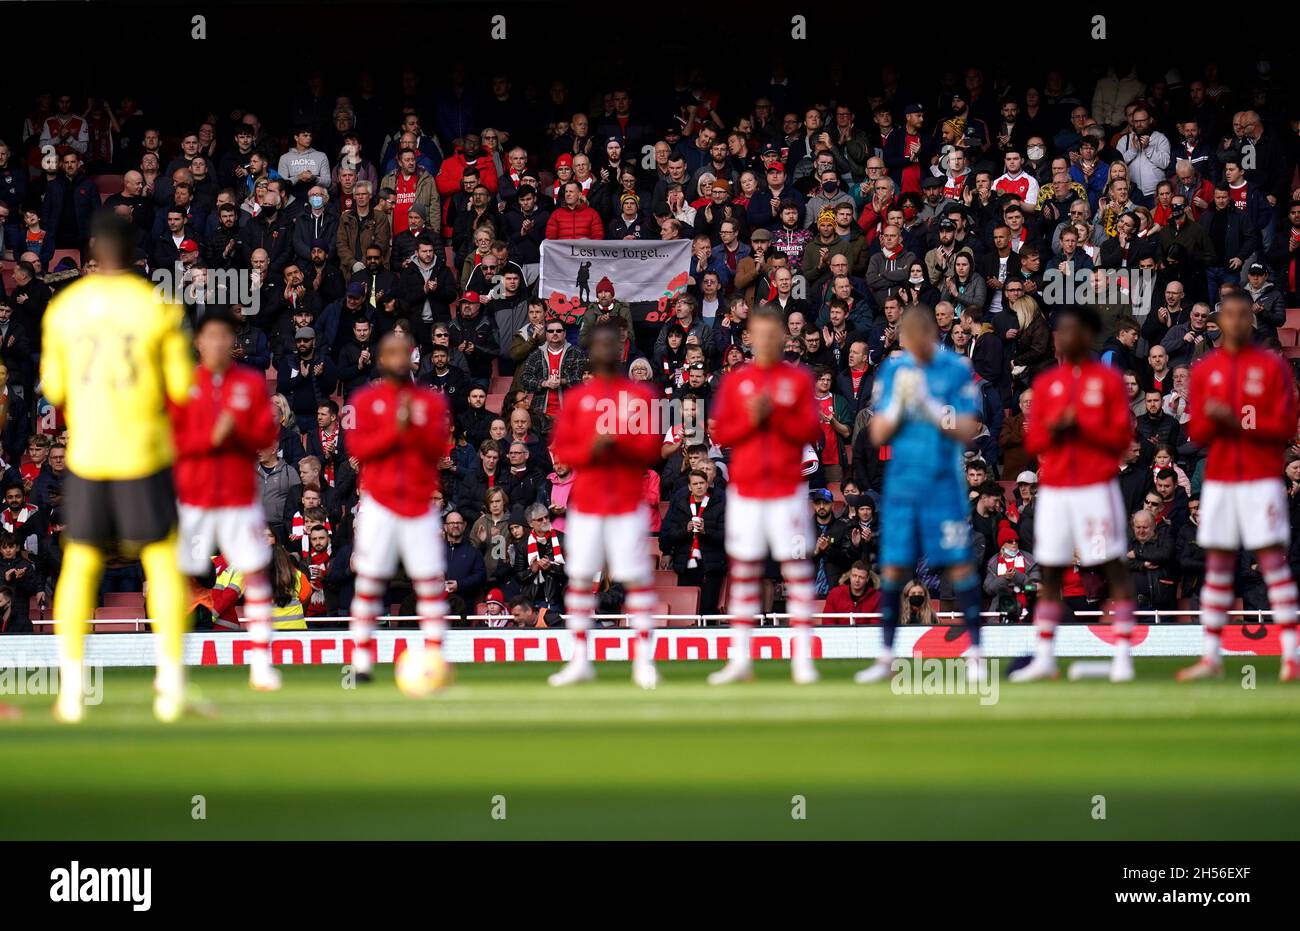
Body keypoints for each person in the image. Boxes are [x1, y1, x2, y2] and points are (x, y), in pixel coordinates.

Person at [42, 212, 193, 723]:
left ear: (91, 250)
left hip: (87, 456)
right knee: (161, 560)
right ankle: (171, 685)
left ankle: (69, 690)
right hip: (144, 454)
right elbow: (181, 389)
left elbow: (56, 389)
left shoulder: (63, 309)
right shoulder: (158, 309)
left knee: (80, 562)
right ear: (134, 255)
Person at [853, 307, 986, 684]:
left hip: (943, 485)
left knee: (959, 566)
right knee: (894, 568)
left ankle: (975, 655)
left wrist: (927, 405)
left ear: (932, 336)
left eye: (917, 341)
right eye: (905, 342)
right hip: (901, 488)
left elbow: (966, 430)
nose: (912, 348)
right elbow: (876, 434)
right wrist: (897, 408)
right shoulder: (894, 370)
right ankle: (885, 656)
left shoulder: (956, 369)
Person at [1179, 291, 1300, 681]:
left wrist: (1234, 421)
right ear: (1217, 320)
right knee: (1217, 565)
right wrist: (1216, 422)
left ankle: (1292, 657)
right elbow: (1196, 432)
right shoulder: (1204, 369)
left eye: (1238, 314)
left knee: (1272, 564)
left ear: (1249, 319)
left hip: (1262, 477)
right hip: (1220, 479)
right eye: (1224, 314)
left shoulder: (1272, 368)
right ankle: (1211, 657)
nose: (1231, 321)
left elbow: (1285, 427)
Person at [1015, 304, 1137, 682]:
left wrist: (1080, 425)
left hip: (1096, 486)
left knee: (1113, 565)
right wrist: (1056, 427)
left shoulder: (1109, 381)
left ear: (1087, 335)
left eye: (1073, 331)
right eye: (1060, 331)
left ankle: (1122, 656)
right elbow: (1033, 440)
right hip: (1055, 490)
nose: (1066, 338)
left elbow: (1120, 437)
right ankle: (1046, 657)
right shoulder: (1047, 383)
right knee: (1050, 570)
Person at [706, 304, 822, 685]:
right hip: (747, 489)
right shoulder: (737, 381)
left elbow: (810, 429)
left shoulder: (799, 380)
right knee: (744, 571)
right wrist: (754, 418)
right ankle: (740, 659)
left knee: (796, 571)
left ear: (782, 337)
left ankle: (803, 660)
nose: (765, 341)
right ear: (750, 337)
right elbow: (722, 433)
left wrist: (776, 415)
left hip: (787, 487)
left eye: (772, 334)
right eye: (759, 334)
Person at [545, 322, 665, 688]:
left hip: (627, 501)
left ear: (621, 348)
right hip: (587, 502)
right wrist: (593, 448)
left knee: (638, 580)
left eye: (612, 344)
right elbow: (562, 449)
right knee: (580, 579)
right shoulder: (579, 398)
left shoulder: (640, 396)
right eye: (599, 345)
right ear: (591, 351)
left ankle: (644, 663)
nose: (606, 350)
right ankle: (580, 660)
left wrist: (618, 444)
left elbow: (651, 447)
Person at [171, 309, 282, 691]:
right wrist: (212, 436)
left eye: (225, 337)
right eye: (211, 336)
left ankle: (262, 664)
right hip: (196, 494)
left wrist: (239, 432)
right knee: (174, 576)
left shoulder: (250, 383)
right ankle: (171, 666)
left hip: (238, 493)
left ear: (233, 343)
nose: (218, 343)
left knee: (255, 572)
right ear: (199, 342)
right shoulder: (183, 384)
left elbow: (268, 431)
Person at [343, 331, 453, 684]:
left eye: (403, 352)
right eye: (390, 352)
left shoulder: (431, 402)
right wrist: (397, 429)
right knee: (370, 580)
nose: (398, 358)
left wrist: (412, 430)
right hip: (378, 501)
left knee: (429, 583)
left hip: (420, 502)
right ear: (380, 359)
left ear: (412, 357)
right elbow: (361, 447)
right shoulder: (363, 401)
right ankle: (361, 664)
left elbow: (438, 448)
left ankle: (435, 657)